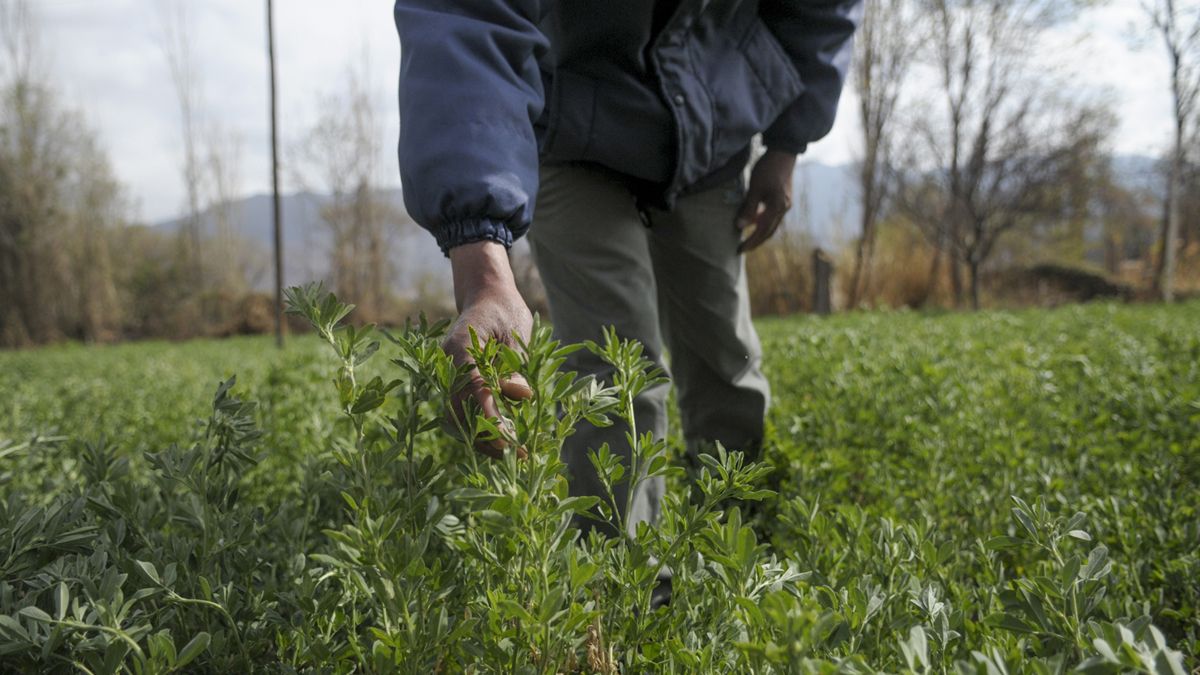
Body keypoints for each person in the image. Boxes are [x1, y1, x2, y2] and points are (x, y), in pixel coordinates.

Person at [393, 1, 861, 537]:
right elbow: (467, 20)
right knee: (614, 374)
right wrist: (483, 271)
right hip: (572, 125)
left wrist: (786, 144)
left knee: (725, 359)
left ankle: (740, 539)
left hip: (712, 125)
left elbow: (822, 9)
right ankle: (621, 569)